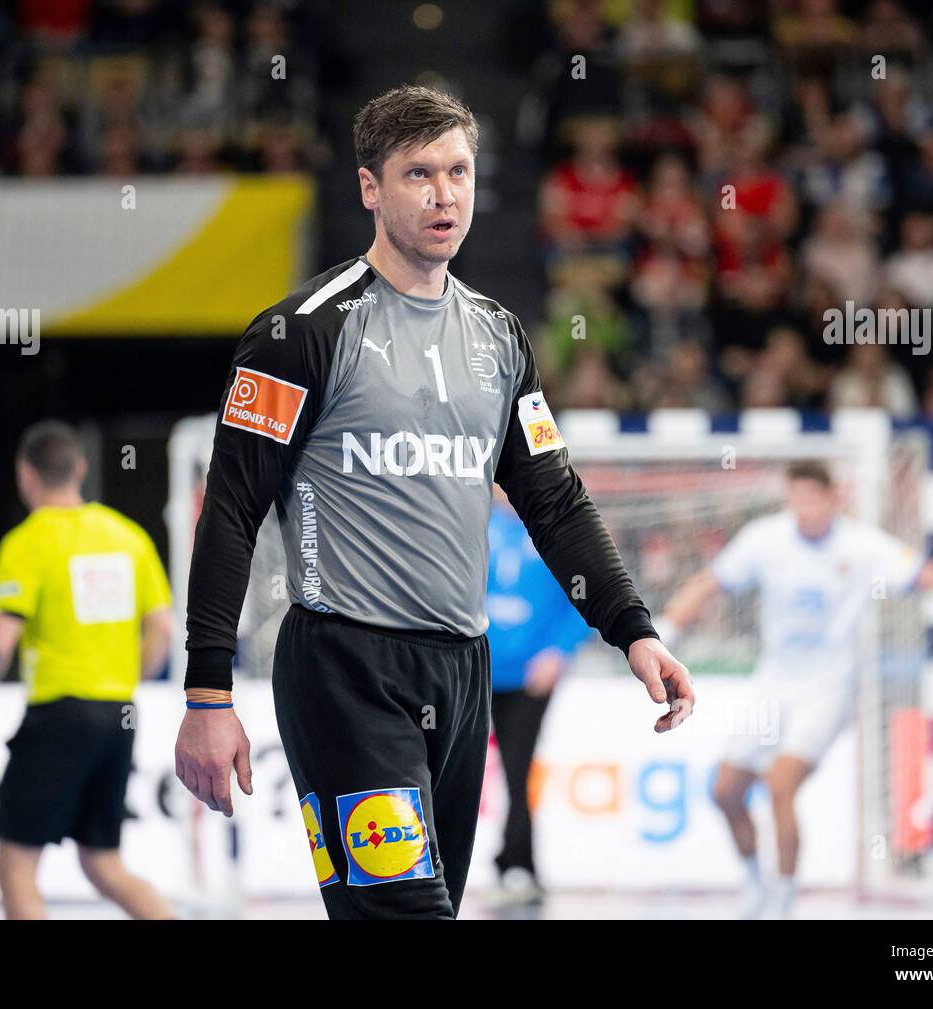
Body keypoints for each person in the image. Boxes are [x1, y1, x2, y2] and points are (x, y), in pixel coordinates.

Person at [174, 84, 694, 920]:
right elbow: (229, 513)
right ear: (370, 188)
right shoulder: (300, 332)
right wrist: (207, 695)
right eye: (419, 174)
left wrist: (631, 628)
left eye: (459, 171)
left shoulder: (498, 335)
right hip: (344, 668)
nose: (445, 194)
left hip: (463, 669)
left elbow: (554, 501)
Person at [657, 460, 933, 918]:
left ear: (832, 499)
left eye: (812, 500)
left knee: (781, 784)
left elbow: (926, 574)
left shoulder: (861, 546)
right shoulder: (766, 538)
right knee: (724, 791)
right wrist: (664, 631)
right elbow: (708, 584)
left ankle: (782, 901)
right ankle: (757, 886)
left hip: (830, 688)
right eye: (796, 499)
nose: (804, 509)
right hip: (774, 684)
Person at [0, 421, 176, 920]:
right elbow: (165, 630)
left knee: (15, 865)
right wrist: (130, 679)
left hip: (59, 714)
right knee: (104, 864)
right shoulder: (128, 537)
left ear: (25, 475)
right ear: (79, 468)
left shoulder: (27, 542)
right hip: (118, 715)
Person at [486, 487, 591, 904]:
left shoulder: (556, 532)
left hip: (529, 679)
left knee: (517, 771)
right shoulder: (473, 524)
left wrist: (558, 653)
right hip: (472, 670)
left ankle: (517, 868)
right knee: (449, 767)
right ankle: (427, 868)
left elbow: (583, 598)